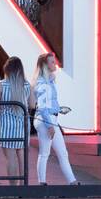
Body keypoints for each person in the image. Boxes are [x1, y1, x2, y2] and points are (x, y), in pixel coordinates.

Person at [33, 52, 77, 185]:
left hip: (50, 119)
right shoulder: (44, 84)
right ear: (45, 65)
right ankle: (42, 182)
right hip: (47, 121)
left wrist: (58, 110)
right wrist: (50, 125)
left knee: (61, 152)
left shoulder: (48, 81)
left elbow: (47, 104)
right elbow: (42, 107)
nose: (55, 64)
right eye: (52, 62)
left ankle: (72, 181)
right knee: (45, 152)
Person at [0, 56, 31, 185]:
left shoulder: (1, 84)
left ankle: (13, 186)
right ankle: (24, 185)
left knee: (10, 157)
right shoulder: (26, 85)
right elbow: (32, 104)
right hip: (23, 123)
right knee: (22, 156)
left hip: (7, 123)